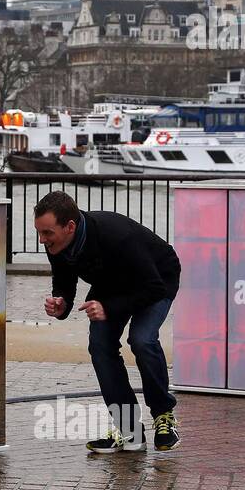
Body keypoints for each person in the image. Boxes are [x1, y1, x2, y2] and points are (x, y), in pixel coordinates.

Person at [35, 191, 182, 453]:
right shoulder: (56, 244)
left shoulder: (115, 235)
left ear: (70, 226)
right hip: (111, 284)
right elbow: (64, 281)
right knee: (100, 346)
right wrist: (61, 302)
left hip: (156, 279)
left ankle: (164, 416)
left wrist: (109, 307)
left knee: (142, 339)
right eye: (40, 233)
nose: (41, 240)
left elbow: (154, 287)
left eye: (47, 233)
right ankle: (129, 431)